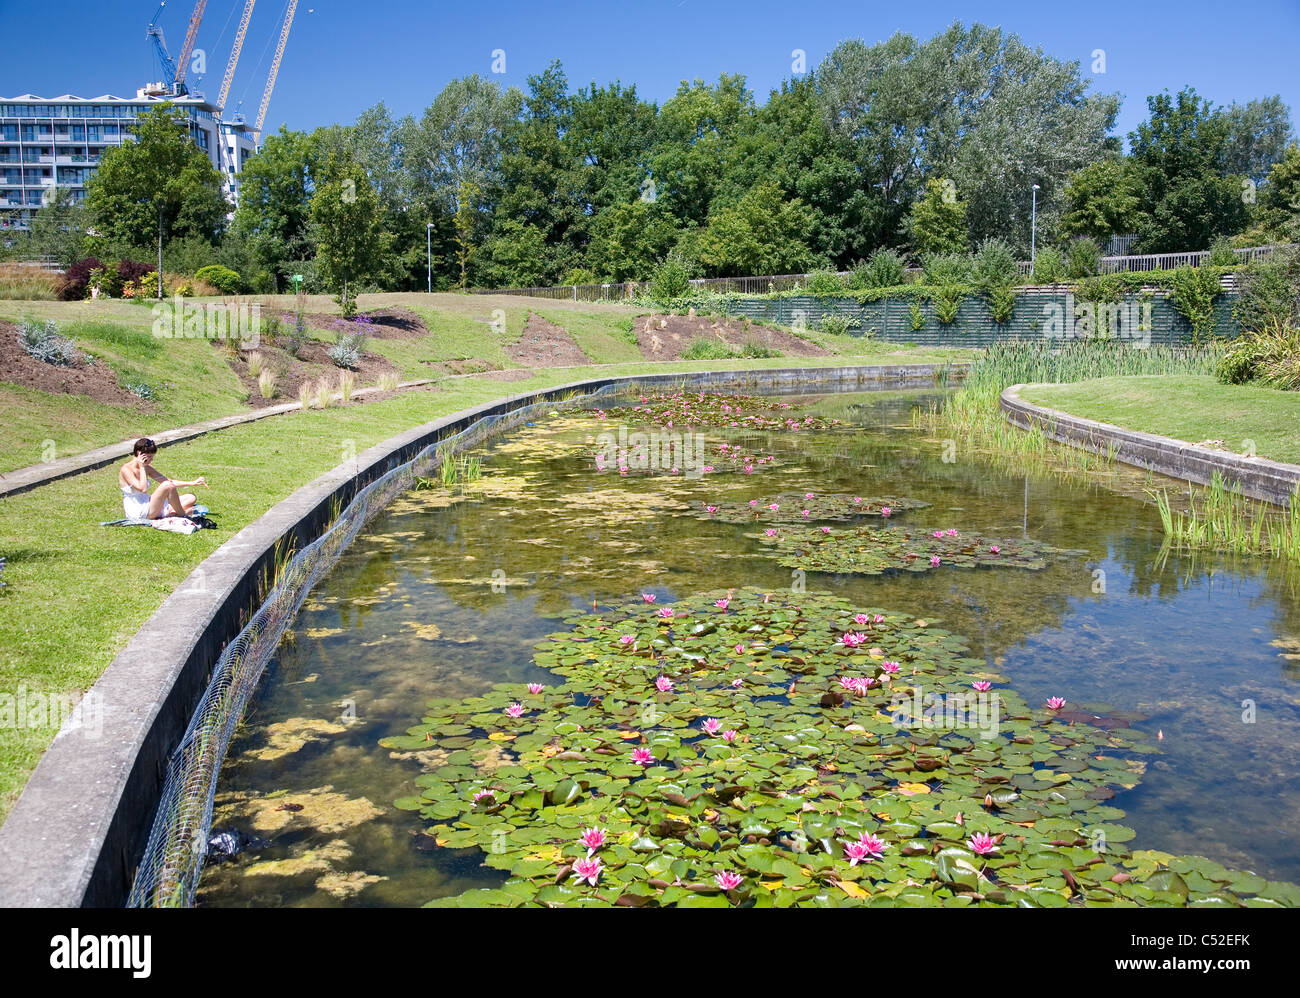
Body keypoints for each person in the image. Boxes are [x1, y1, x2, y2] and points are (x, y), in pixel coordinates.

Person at [118, 438, 208, 520]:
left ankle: (172, 513)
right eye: (149, 457)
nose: (151, 460)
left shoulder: (147, 467)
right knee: (167, 486)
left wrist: (192, 483)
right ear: (139, 454)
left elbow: (168, 481)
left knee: (191, 498)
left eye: (152, 457)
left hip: (149, 503)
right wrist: (142, 467)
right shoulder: (126, 470)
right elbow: (143, 489)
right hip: (139, 510)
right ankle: (182, 515)